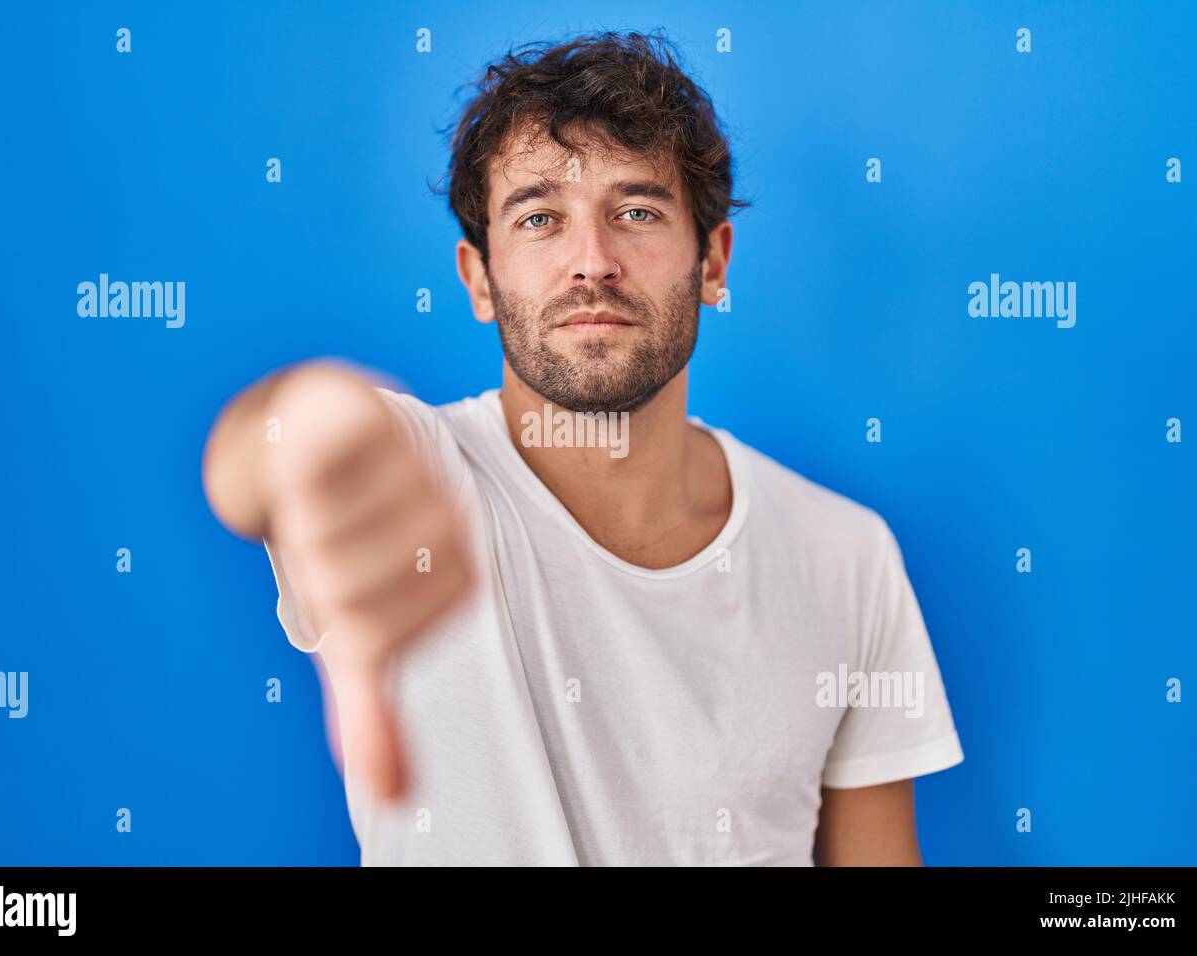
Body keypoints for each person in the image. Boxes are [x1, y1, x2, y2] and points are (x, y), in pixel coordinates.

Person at [201, 31, 963, 865]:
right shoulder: (408, 477)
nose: (591, 263)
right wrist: (308, 422)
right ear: (479, 279)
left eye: (636, 212)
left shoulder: (845, 553)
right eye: (539, 219)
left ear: (713, 262)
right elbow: (261, 457)